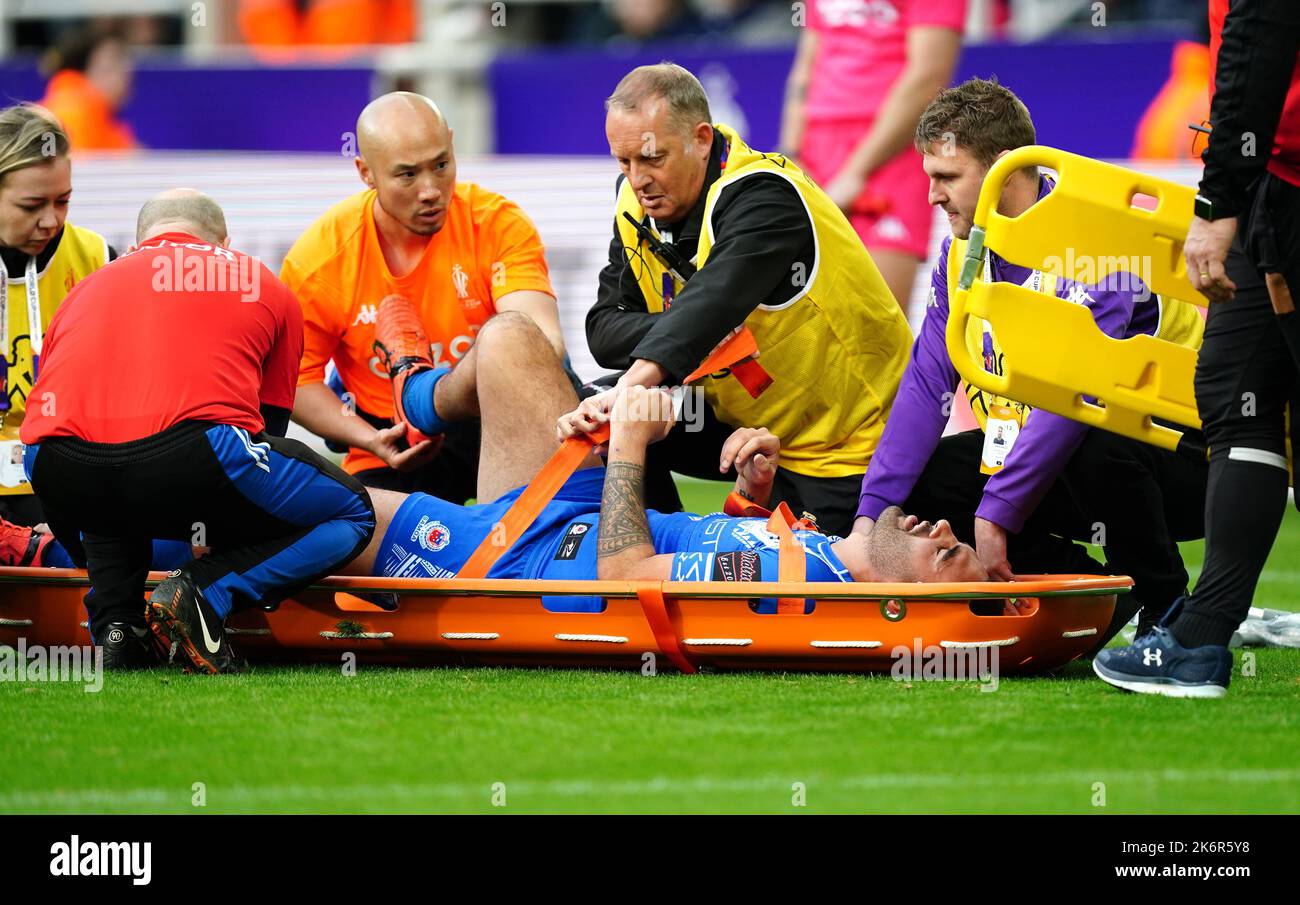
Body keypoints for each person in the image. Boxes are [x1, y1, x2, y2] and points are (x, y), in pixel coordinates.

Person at [855, 78, 1208, 647]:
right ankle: (1092, 595)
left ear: (1004, 170)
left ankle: (1166, 604)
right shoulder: (964, 253)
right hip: (1046, 451)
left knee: (1092, 431)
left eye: (947, 178)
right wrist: (871, 518)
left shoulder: (1098, 238)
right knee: (916, 485)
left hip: (1182, 460)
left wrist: (998, 511)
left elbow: (1078, 389)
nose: (932, 197)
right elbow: (927, 384)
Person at [337, 296, 986, 595]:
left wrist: (629, 442)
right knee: (509, 337)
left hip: (526, 556)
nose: (943, 527)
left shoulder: (804, 577)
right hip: (577, 518)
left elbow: (625, 577)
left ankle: (405, 394)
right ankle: (417, 398)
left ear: (914, 596)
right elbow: (713, 553)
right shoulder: (822, 556)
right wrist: (752, 501)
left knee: (324, 504)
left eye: (948, 552)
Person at [20, 189, 376, 673]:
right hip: (192, 455)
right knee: (353, 511)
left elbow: (54, 405)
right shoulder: (259, 281)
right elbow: (264, 431)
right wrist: (217, 539)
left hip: (52, 464)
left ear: (136, 248)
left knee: (108, 497)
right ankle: (203, 593)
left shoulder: (88, 286)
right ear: (226, 244)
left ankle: (118, 630)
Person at [584, 63, 912, 537]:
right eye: (624, 161)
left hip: (847, 445)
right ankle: (656, 550)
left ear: (700, 139)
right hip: (743, 427)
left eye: (652, 159)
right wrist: (700, 334)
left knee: (802, 595)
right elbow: (605, 328)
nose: (638, 180)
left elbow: (713, 303)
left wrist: (658, 363)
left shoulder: (767, 195)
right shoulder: (634, 205)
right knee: (599, 416)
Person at [1095, 0, 1300, 698]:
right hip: (1278, 175)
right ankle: (1200, 638)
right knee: (1237, 387)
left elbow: (1258, 38)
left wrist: (1217, 202)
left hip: (1282, 179)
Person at [281, 91, 565, 505]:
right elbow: (295, 382)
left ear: (452, 144)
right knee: (357, 538)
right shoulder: (319, 261)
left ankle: (420, 394)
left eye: (441, 165)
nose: (431, 189)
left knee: (535, 537)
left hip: (499, 415)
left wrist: (450, 390)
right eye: (407, 175)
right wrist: (371, 438)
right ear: (366, 173)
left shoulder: (497, 222)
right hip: (394, 437)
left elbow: (542, 344)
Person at [781, 0, 965, 311]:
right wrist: (791, 156)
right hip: (814, 153)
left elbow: (928, 77)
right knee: (800, 312)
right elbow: (806, 65)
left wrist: (856, 172)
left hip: (893, 152)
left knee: (875, 319)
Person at [0, 104, 115, 536]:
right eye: (31, 205)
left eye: (63, 201)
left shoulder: (97, 259)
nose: (51, 221)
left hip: (64, 474)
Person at [39, 28, 138, 152]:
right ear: (84, 70)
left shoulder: (102, 119)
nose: (126, 72)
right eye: (114, 62)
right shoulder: (71, 115)